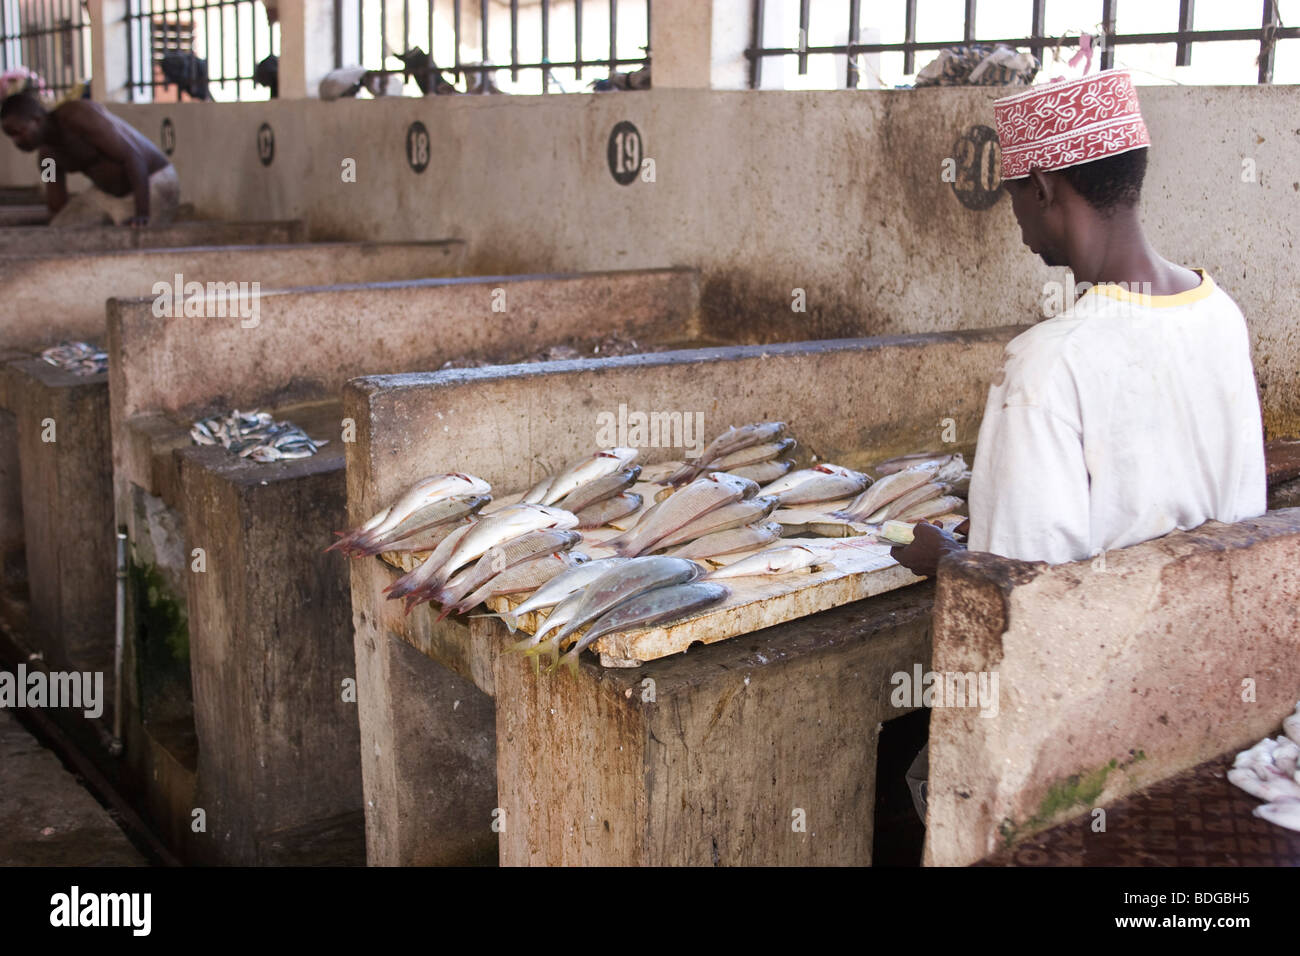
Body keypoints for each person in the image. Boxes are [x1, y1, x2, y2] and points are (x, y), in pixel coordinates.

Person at [893, 70, 1267, 820]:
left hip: (1091, 715)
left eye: (1012, 201)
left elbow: (1022, 596)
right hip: (1207, 686)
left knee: (914, 781)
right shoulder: (1219, 312)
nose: (1018, 225)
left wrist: (953, 561)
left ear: (1042, 187)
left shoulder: (1050, 359)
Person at [0, 91, 179, 228]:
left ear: (36, 120)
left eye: (18, 132)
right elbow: (55, 204)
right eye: (11, 137)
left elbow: (133, 157)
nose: (16, 141)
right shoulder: (47, 159)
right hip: (107, 195)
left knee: (133, 235)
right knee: (60, 228)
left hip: (151, 181)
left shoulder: (79, 116)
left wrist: (142, 214)